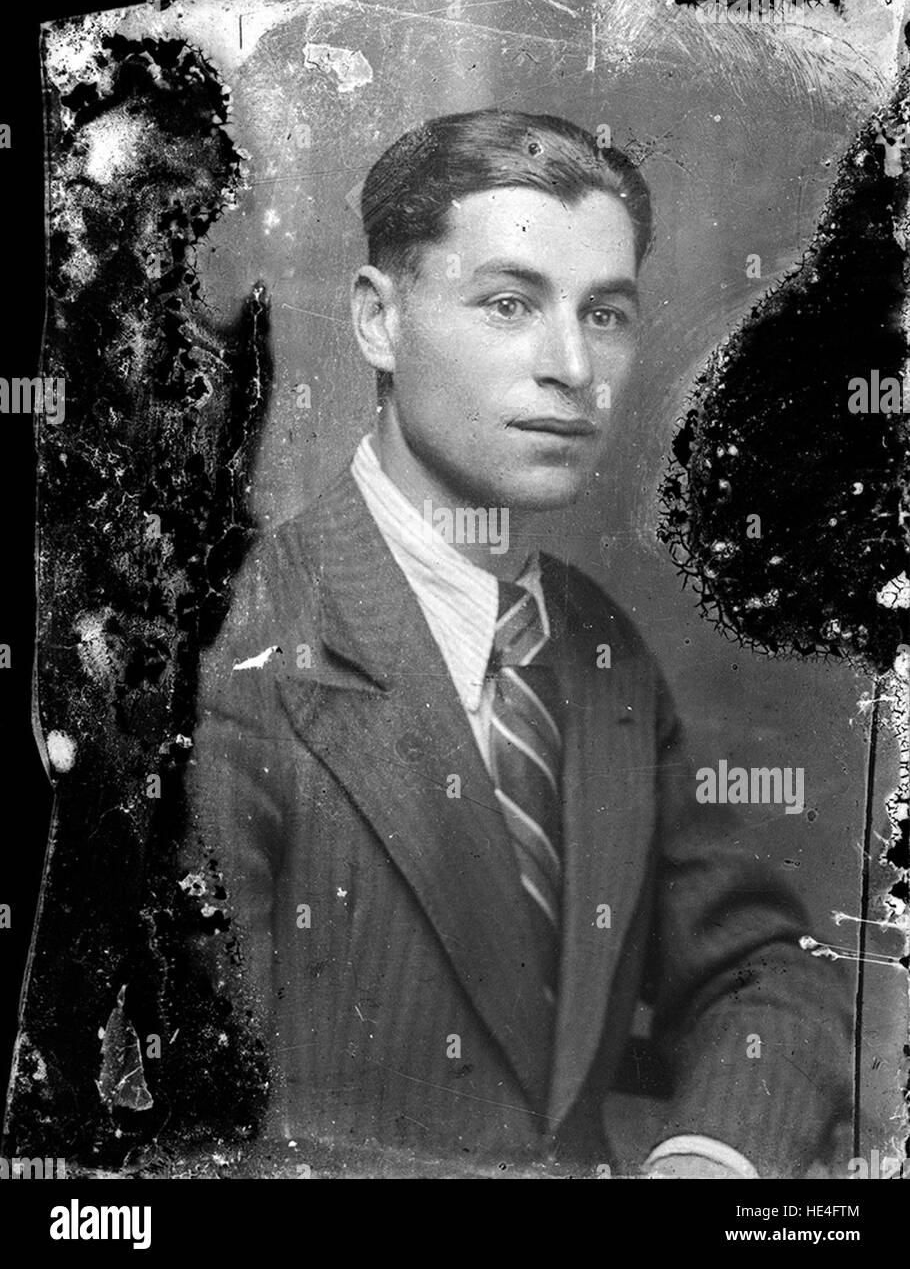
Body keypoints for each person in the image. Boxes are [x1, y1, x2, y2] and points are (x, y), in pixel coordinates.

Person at [186, 109, 851, 1177]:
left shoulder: (596, 648)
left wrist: (710, 1153)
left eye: (607, 313)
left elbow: (766, 967)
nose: (570, 367)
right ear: (376, 320)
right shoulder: (225, 655)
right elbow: (175, 1139)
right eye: (508, 302)